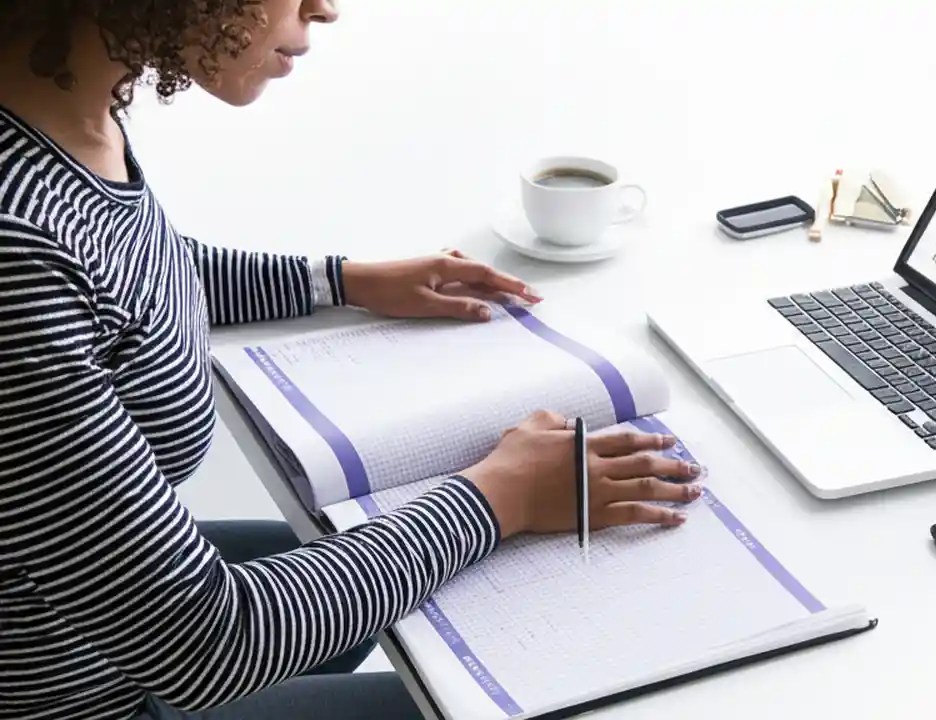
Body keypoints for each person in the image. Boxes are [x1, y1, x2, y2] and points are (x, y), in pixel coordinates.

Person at [0, 2, 704, 719]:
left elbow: (136, 272)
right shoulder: (15, 248)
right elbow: (208, 644)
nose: (324, 8)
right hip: (98, 693)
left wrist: (343, 281)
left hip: (87, 626)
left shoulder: (57, 109)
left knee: (397, 585)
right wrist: (502, 496)